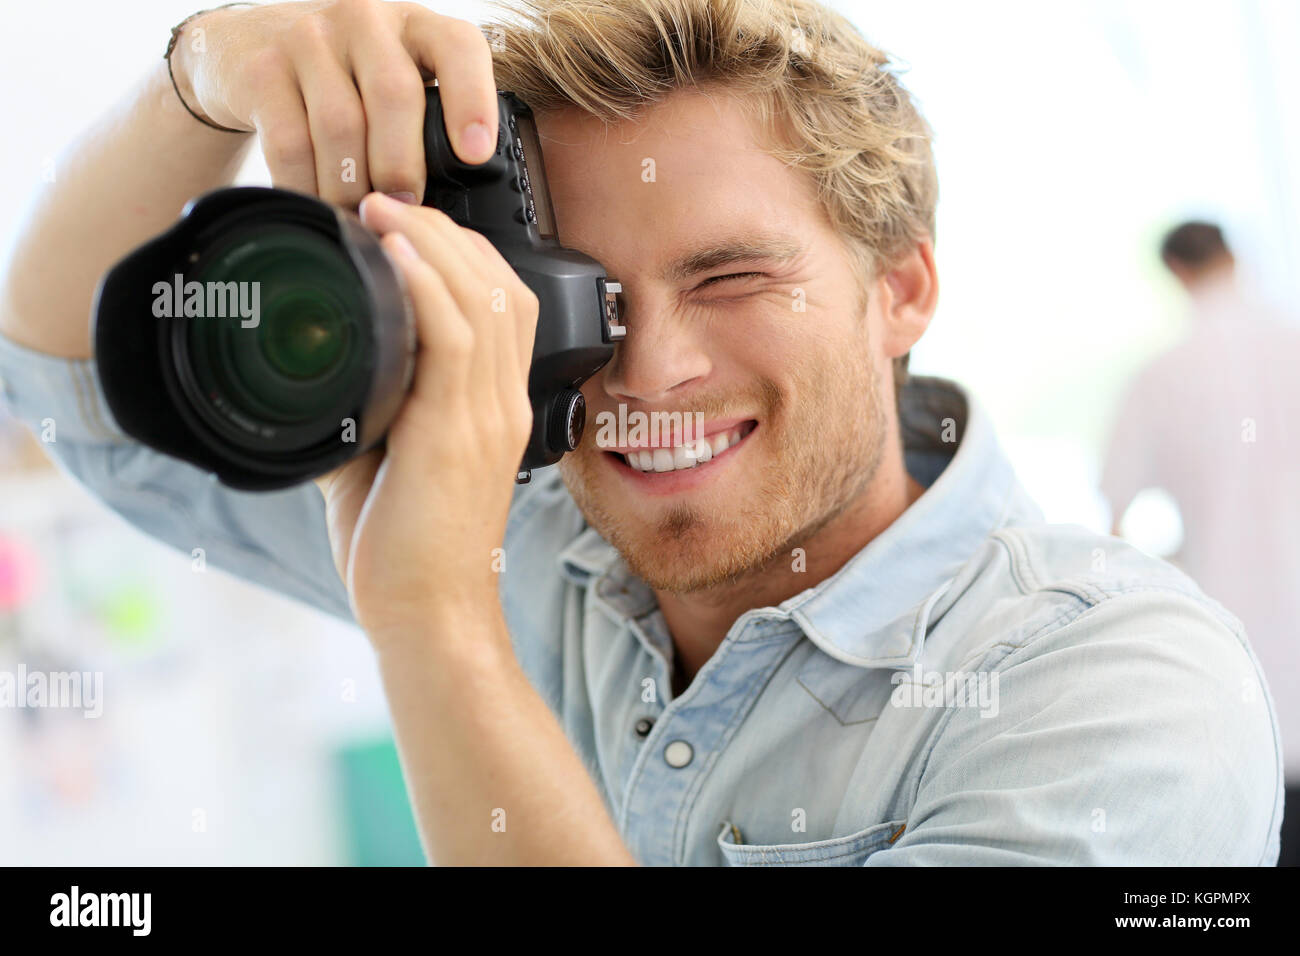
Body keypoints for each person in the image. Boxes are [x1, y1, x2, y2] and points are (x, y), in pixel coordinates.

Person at [0, 0, 1282, 866]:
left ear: (901, 290)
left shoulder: (1126, 690)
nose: (649, 369)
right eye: (580, 298)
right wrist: (203, 71)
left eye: (729, 279)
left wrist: (436, 620)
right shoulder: (532, 530)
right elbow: (62, 377)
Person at [1101, 220, 1300, 866]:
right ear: (1234, 258)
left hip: (1241, 679)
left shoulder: (1162, 376)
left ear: (1177, 274)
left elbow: (1114, 526)